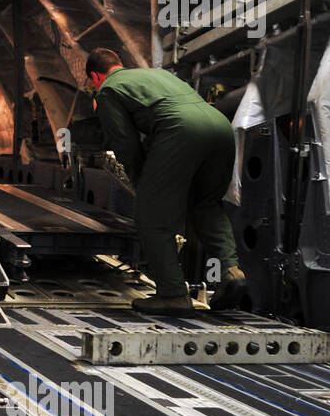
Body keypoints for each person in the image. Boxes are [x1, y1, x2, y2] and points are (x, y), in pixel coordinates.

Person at [85, 48, 246, 312]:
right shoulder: (156, 74)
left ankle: (172, 294)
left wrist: (142, 185)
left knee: (151, 215)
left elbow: (125, 144)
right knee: (206, 205)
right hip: (220, 127)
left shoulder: (108, 90)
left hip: (181, 130)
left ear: (95, 76)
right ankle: (232, 271)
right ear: (120, 64)